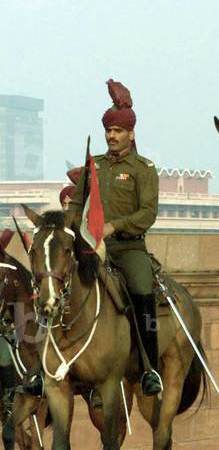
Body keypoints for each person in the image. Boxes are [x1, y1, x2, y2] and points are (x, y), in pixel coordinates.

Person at [59, 79, 163, 398]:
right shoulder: (96, 166)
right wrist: (65, 228)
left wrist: (115, 226)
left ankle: (150, 369)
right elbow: (78, 202)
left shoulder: (143, 169)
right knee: (57, 286)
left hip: (129, 247)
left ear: (130, 134)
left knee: (143, 293)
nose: (112, 137)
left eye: (118, 131)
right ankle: (43, 368)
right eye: (108, 131)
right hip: (94, 247)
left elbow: (148, 213)